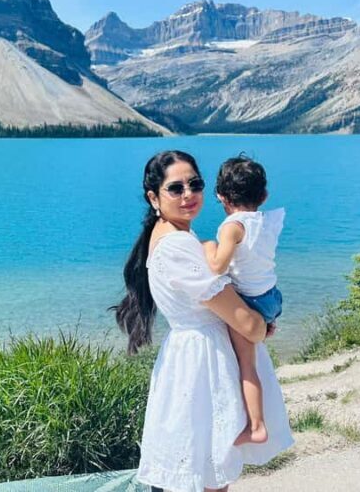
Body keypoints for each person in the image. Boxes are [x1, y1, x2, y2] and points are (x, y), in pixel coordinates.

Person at [114, 150, 293, 492]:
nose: (188, 195)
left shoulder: (172, 236)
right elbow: (247, 324)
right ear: (154, 197)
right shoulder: (178, 246)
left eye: (194, 184)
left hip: (195, 358)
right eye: (175, 188)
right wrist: (260, 324)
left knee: (205, 473)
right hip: (203, 365)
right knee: (208, 477)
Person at [202, 156, 284, 446]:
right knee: (253, 349)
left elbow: (219, 266)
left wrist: (207, 247)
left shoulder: (232, 227)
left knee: (246, 366)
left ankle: (256, 426)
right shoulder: (265, 221)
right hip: (272, 297)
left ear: (221, 197)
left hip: (251, 301)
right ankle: (266, 326)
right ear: (263, 196)